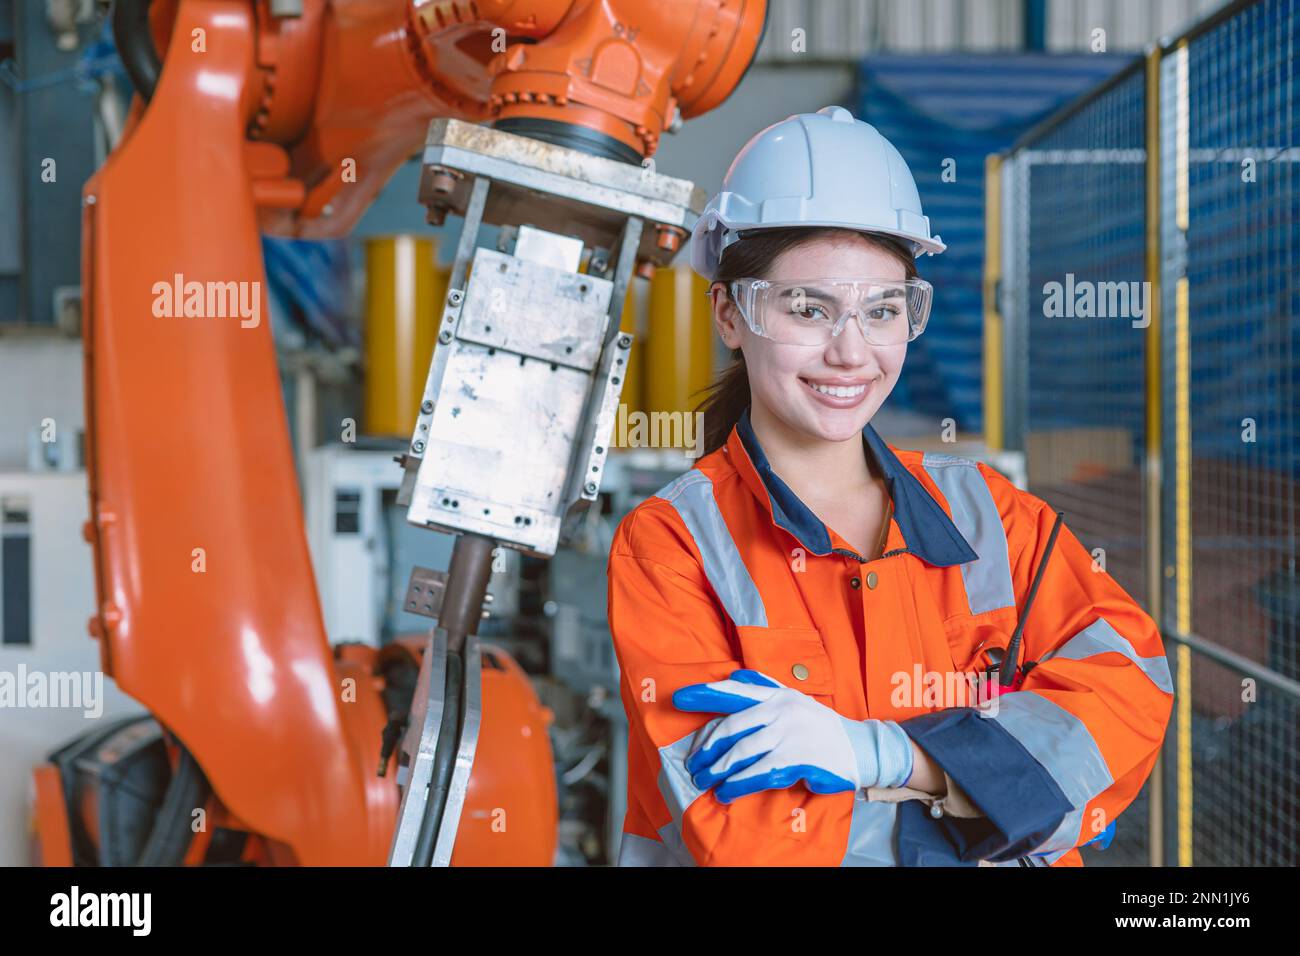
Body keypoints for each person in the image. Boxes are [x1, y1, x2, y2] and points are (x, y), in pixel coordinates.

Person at [605, 105, 1173, 866]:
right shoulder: (674, 546)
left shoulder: (992, 514)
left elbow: (1126, 695)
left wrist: (891, 760)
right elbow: (753, 838)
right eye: (808, 308)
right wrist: (1002, 799)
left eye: (882, 310)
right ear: (731, 315)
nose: (851, 352)